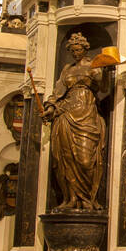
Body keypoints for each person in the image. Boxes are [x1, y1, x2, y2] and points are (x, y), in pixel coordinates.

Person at [42, 32, 112, 211]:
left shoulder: (94, 64)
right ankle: (71, 198)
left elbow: (104, 87)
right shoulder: (67, 69)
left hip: (86, 111)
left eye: (78, 49)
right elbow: (58, 91)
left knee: (85, 160)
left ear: (85, 49)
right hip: (66, 112)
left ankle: (87, 198)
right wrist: (50, 107)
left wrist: (107, 71)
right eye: (72, 50)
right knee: (65, 158)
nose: (75, 53)